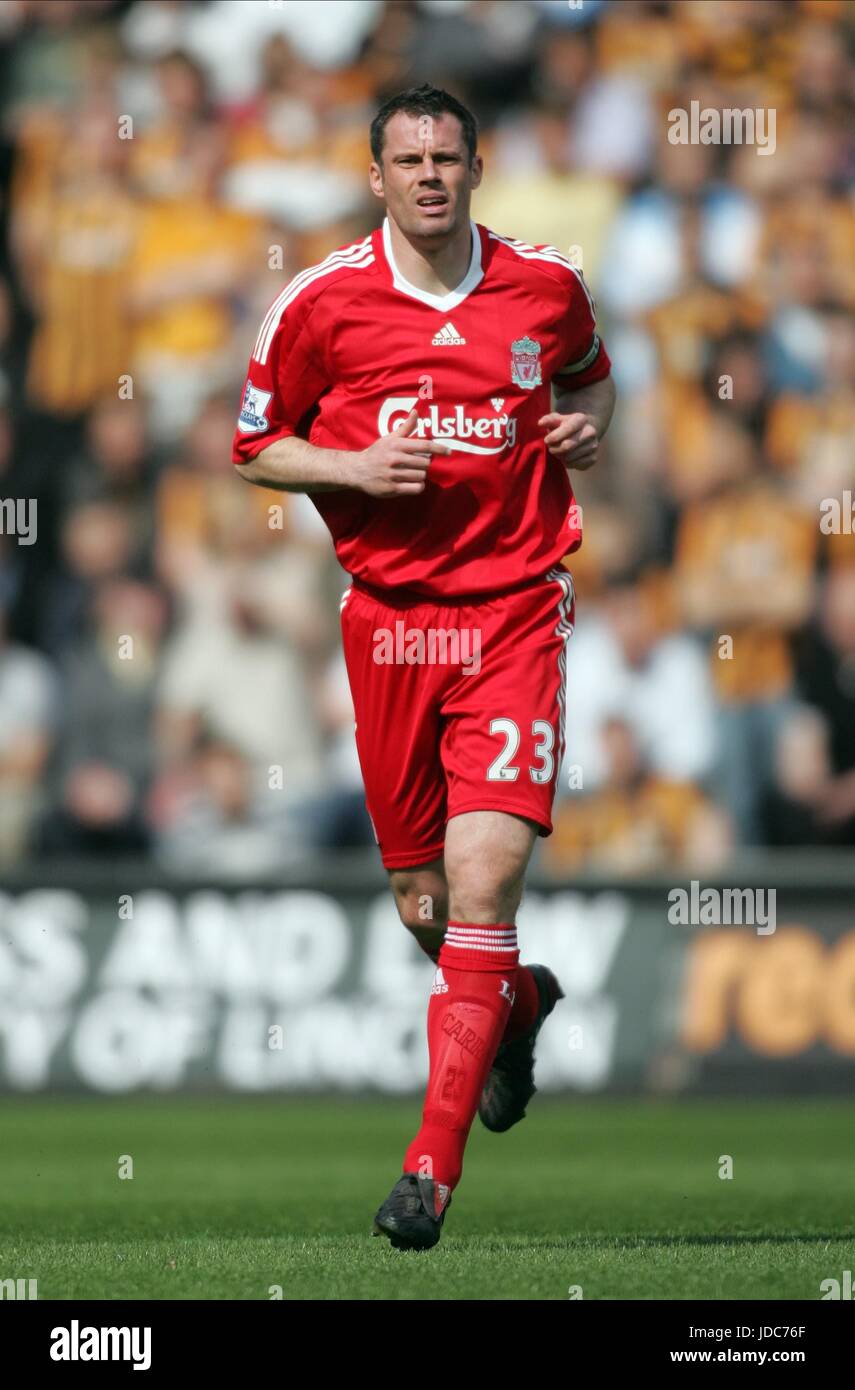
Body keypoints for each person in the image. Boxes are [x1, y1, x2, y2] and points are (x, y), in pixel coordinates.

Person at [232, 84, 615, 1250]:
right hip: (392, 627)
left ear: (478, 168)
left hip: (511, 615)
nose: (431, 175)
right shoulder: (321, 303)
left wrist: (587, 426)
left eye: (449, 156)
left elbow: (591, 379)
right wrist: (350, 467)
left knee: (485, 887)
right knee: (429, 910)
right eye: (411, 159)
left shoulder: (545, 287)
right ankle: (518, 1001)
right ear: (376, 175)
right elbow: (253, 450)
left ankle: (426, 1175)